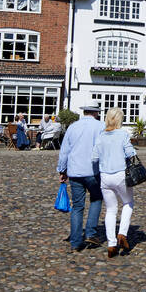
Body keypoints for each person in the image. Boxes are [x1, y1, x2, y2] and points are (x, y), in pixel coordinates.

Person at [56, 104, 105, 251]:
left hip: (75, 171)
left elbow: (65, 150)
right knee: (96, 199)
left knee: (77, 206)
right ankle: (90, 233)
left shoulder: (72, 127)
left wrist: (62, 170)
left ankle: (76, 242)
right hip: (93, 171)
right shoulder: (101, 126)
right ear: (96, 113)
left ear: (84, 112)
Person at [92, 107, 137, 258]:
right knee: (128, 203)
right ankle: (122, 233)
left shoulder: (101, 135)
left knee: (111, 209)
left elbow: (94, 157)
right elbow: (131, 153)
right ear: (120, 120)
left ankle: (111, 244)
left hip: (105, 176)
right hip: (120, 174)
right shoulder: (123, 134)